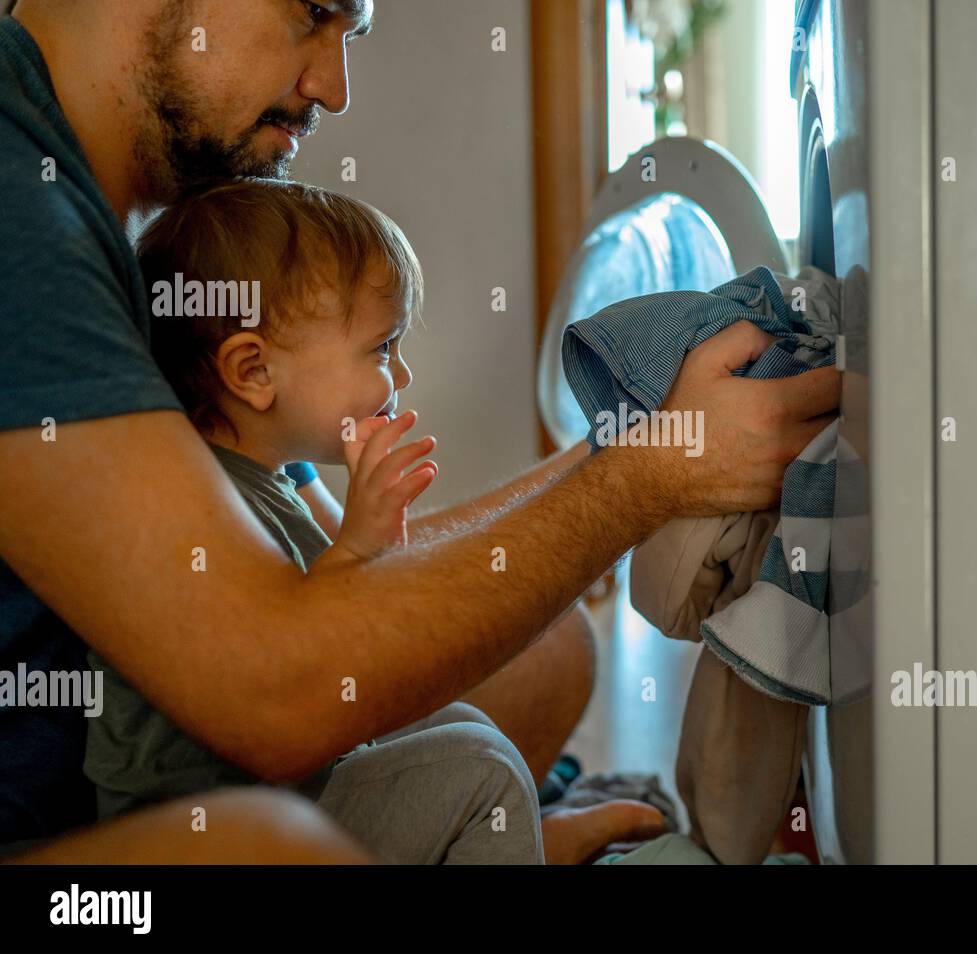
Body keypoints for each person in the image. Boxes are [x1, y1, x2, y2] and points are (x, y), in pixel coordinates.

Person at [0, 0, 839, 862]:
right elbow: (275, 693)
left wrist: (643, 448)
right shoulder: (20, 214)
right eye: (315, 11)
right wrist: (652, 477)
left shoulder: (96, 218)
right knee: (272, 843)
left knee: (547, 647)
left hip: (210, 741)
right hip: (137, 810)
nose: (335, 85)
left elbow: (338, 579)